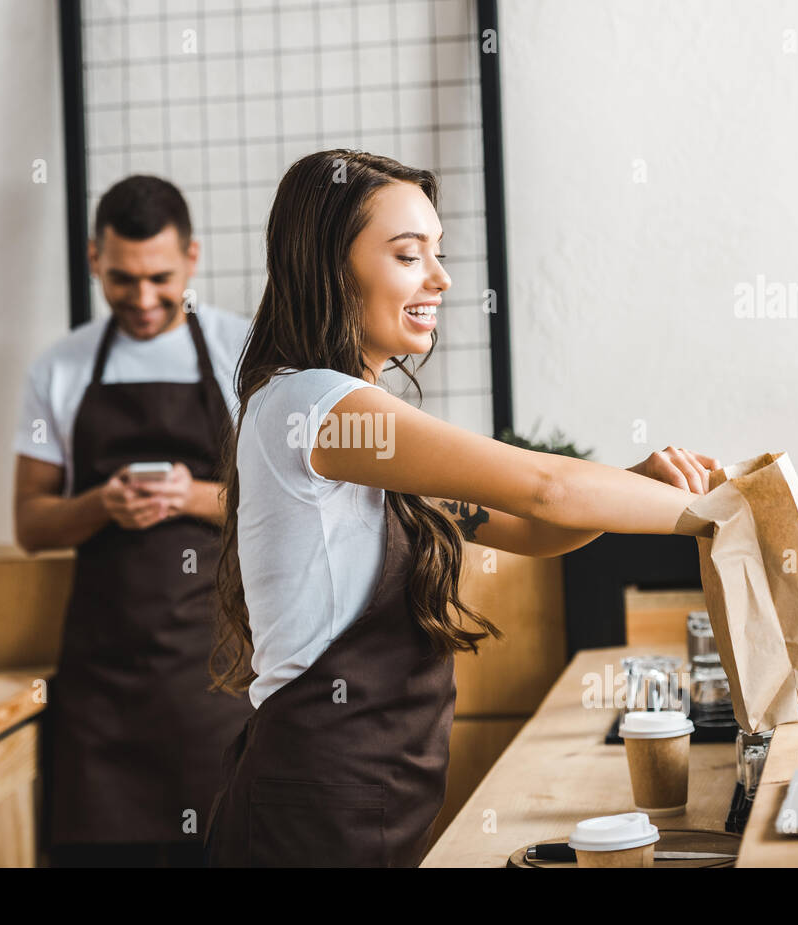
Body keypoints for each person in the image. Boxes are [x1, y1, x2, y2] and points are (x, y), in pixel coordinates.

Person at [204, 149, 718, 867]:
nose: (440, 280)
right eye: (409, 256)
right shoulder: (311, 405)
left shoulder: (361, 426)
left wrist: (637, 481)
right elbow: (544, 487)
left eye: (437, 253)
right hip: (311, 811)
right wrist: (715, 511)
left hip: (365, 799)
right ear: (328, 263)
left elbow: (533, 528)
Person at [14, 175, 252, 867]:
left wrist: (192, 496)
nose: (143, 299)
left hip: (217, 683)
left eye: (160, 278)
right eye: (122, 279)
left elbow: (285, 508)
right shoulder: (58, 368)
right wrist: (99, 504)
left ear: (193, 258)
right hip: (101, 695)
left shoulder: (246, 354)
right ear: (94, 260)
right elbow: (29, 525)